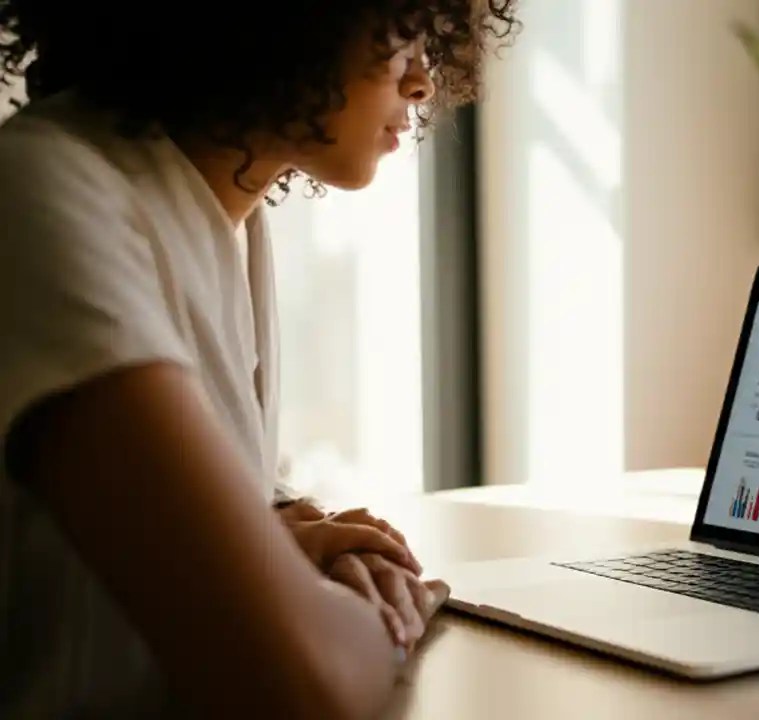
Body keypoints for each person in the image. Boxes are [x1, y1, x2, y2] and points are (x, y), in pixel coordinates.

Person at [0, 1, 517, 717]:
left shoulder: (224, 215)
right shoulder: (47, 191)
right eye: (396, 23)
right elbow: (302, 687)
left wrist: (296, 536)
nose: (423, 80)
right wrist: (392, 611)